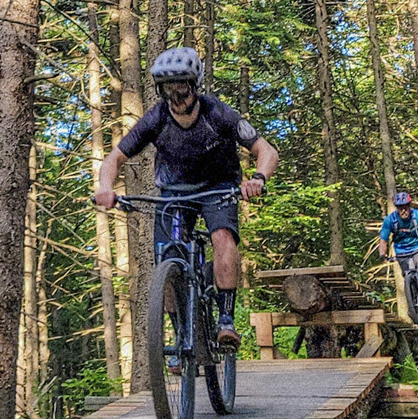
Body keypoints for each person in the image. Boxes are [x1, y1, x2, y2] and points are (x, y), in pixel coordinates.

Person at [94, 47, 279, 346]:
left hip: (218, 188)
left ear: (195, 86)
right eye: (169, 90)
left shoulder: (218, 113)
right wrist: (105, 188)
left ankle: (226, 319)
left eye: (182, 89)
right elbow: (115, 158)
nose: (177, 98)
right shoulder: (155, 119)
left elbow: (266, 150)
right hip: (174, 194)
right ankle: (181, 333)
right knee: (166, 256)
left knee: (222, 237)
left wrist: (257, 178)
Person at [377, 191, 418, 316]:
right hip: (401, 251)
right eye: (400, 208)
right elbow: (383, 240)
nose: (403, 211)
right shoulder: (390, 220)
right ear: (397, 209)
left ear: (410, 206)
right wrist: (382, 254)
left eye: (405, 207)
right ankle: (413, 305)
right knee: (407, 275)